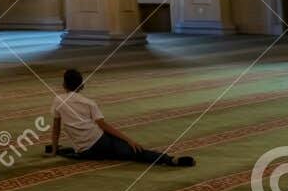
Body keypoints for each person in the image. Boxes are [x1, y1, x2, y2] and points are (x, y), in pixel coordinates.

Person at [46, 68, 194, 167]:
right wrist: (129, 140)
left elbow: (56, 129)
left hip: (84, 151)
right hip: (100, 142)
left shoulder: (58, 100)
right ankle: (170, 160)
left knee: (119, 152)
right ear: (81, 85)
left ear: (64, 84)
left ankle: (55, 149)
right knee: (135, 152)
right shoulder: (88, 103)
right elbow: (104, 126)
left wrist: (53, 150)